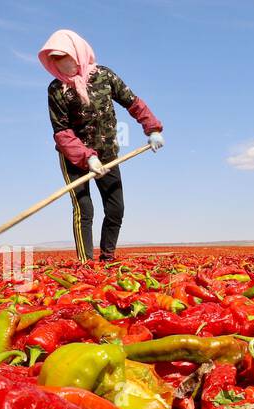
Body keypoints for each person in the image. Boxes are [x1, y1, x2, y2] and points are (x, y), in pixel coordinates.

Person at [38, 29, 165, 263]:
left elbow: (132, 102)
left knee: (116, 208)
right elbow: (62, 131)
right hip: (74, 159)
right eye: (56, 60)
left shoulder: (104, 76)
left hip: (107, 154)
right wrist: (87, 158)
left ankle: (107, 258)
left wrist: (153, 128)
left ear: (78, 53)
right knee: (84, 209)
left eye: (67, 58)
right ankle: (85, 264)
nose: (63, 65)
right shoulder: (56, 90)